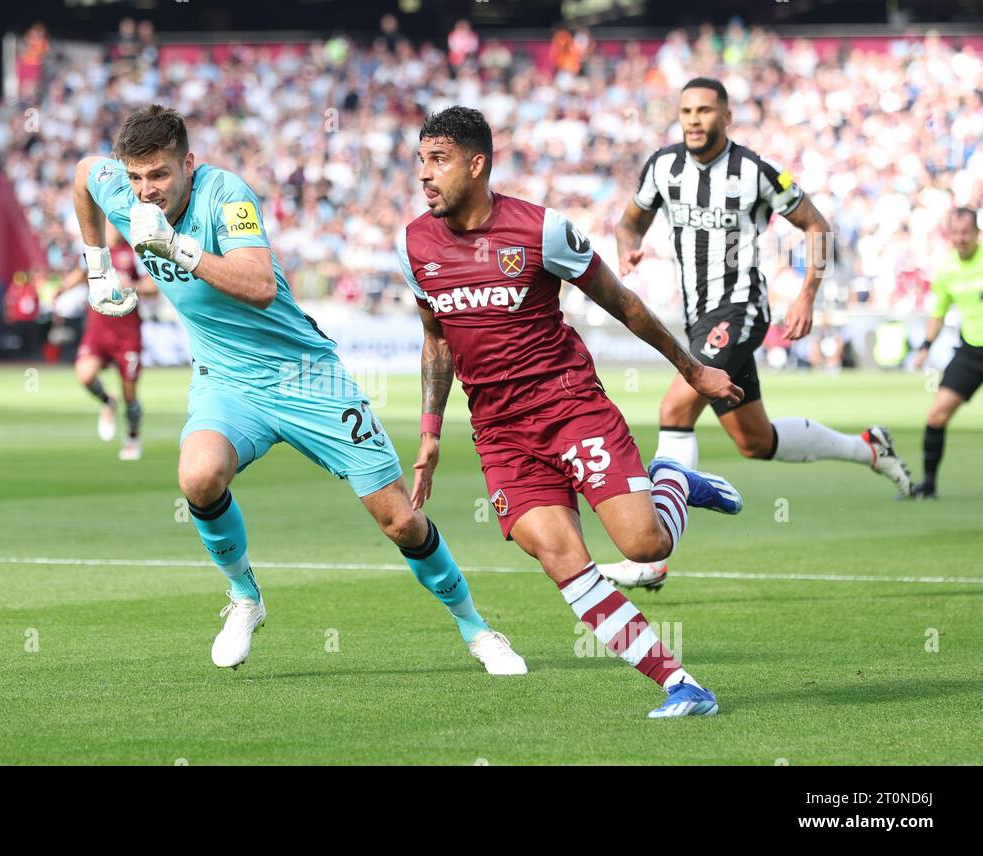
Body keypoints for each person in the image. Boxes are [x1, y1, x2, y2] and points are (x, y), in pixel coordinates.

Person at [74, 105, 525, 674]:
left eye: (159, 175)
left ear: (188, 164)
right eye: (136, 177)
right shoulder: (125, 192)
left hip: (306, 375)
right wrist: (96, 268)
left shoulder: (225, 195)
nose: (146, 191)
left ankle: (478, 629)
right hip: (228, 379)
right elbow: (84, 173)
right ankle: (245, 598)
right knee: (196, 476)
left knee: (399, 520)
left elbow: (260, 286)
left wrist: (174, 247)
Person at [402, 106, 741, 718]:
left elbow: (624, 305)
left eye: (439, 160)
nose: (425, 175)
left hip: (569, 407)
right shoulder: (416, 242)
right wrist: (430, 431)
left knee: (642, 547)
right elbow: (438, 337)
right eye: (421, 160)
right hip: (500, 433)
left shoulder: (541, 230)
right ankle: (681, 685)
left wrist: (693, 370)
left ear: (477, 165)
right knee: (560, 557)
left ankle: (672, 481)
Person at [604, 77, 911, 590]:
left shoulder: (756, 171)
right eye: (686, 111)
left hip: (740, 309)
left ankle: (653, 557)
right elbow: (628, 223)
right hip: (698, 316)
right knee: (755, 441)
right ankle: (869, 449)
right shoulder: (663, 166)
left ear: (726, 117)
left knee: (674, 410)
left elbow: (817, 225)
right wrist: (627, 247)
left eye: (705, 110)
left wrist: (808, 292)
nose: (694, 120)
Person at [909, 207, 983, 499]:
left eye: (966, 233)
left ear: (977, 232)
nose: (961, 239)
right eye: (956, 233)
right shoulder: (946, 270)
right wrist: (926, 347)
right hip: (971, 351)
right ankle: (928, 485)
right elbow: (938, 313)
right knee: (937, 415)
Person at [65, 224, 155, 460]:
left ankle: (133, 436)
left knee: (131, 395)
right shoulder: (95, 251)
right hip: (98, 329)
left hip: (127, 333)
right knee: (84, 375)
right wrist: (62, 288)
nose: (110, 228)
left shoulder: (136, 253)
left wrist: (132, 286)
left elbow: (153, 287)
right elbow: (79, 272)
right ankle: (107, 401)